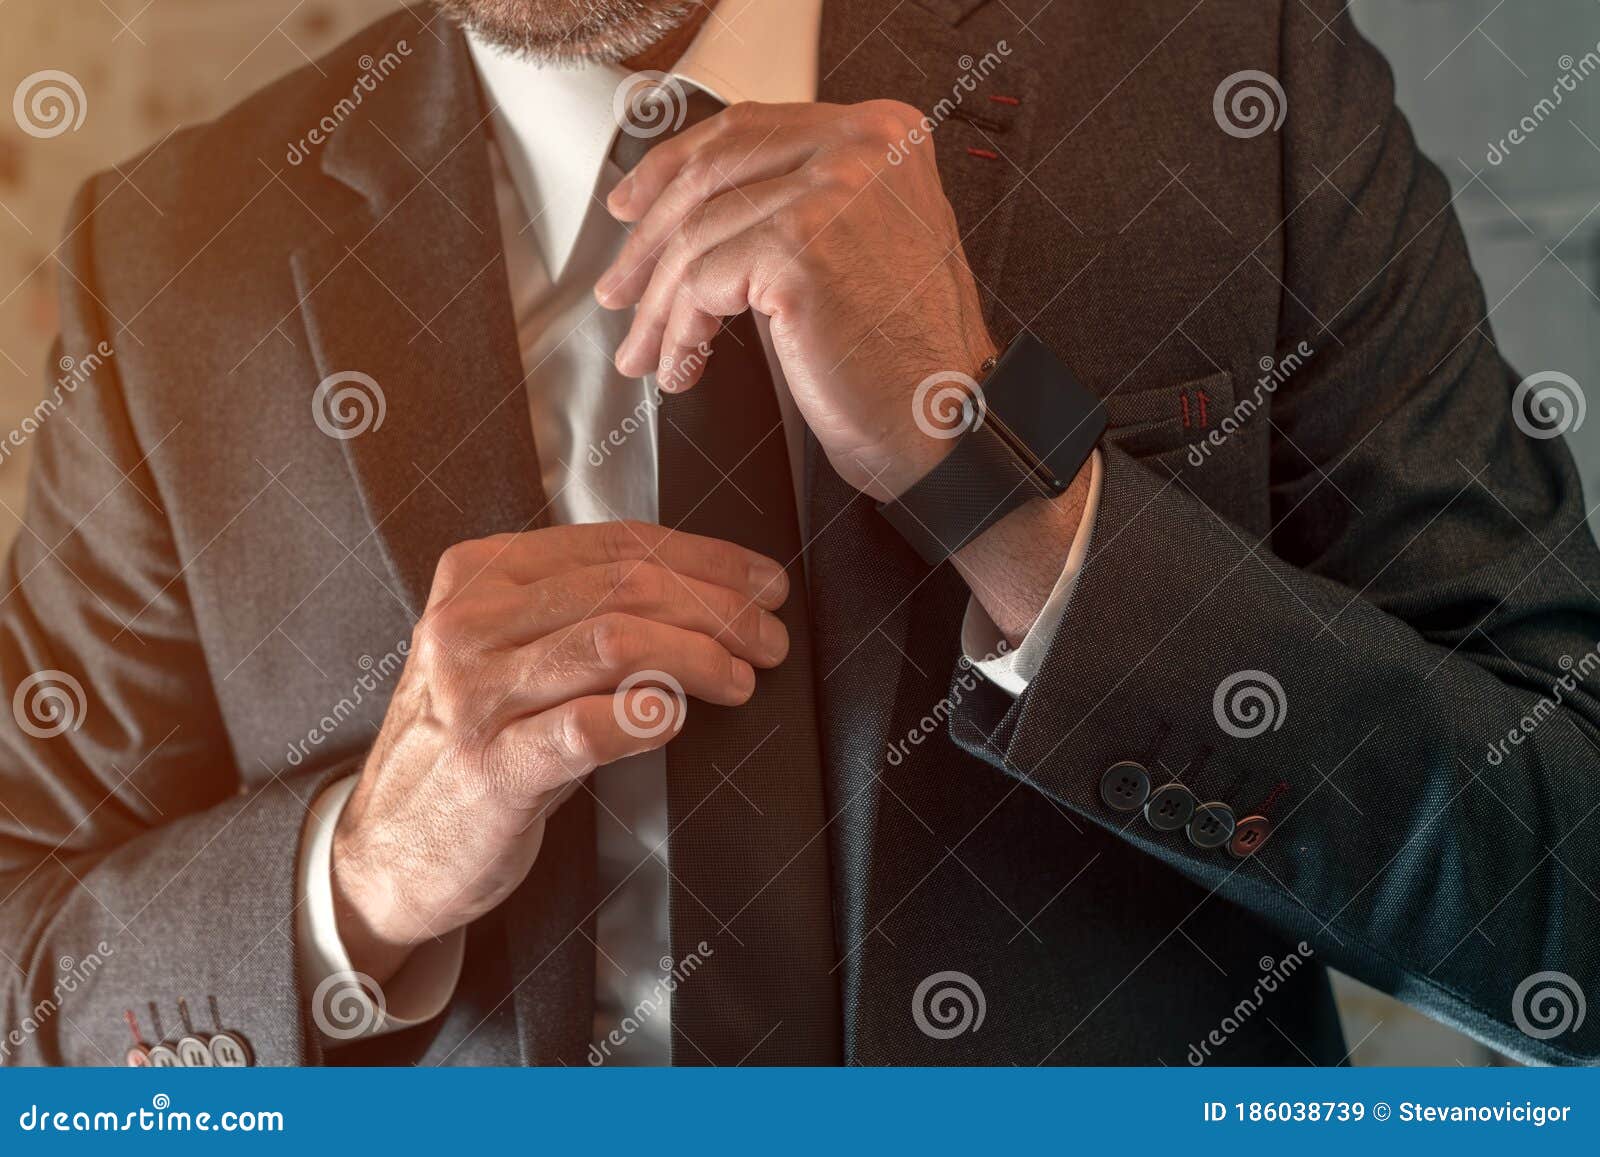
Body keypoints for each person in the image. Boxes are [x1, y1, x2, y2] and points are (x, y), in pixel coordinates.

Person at [2, 0, 1596, 1068]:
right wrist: (353, 878)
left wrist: (1011, 494)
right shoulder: (171, 255)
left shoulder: (1234, 77)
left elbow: (1569, 879)